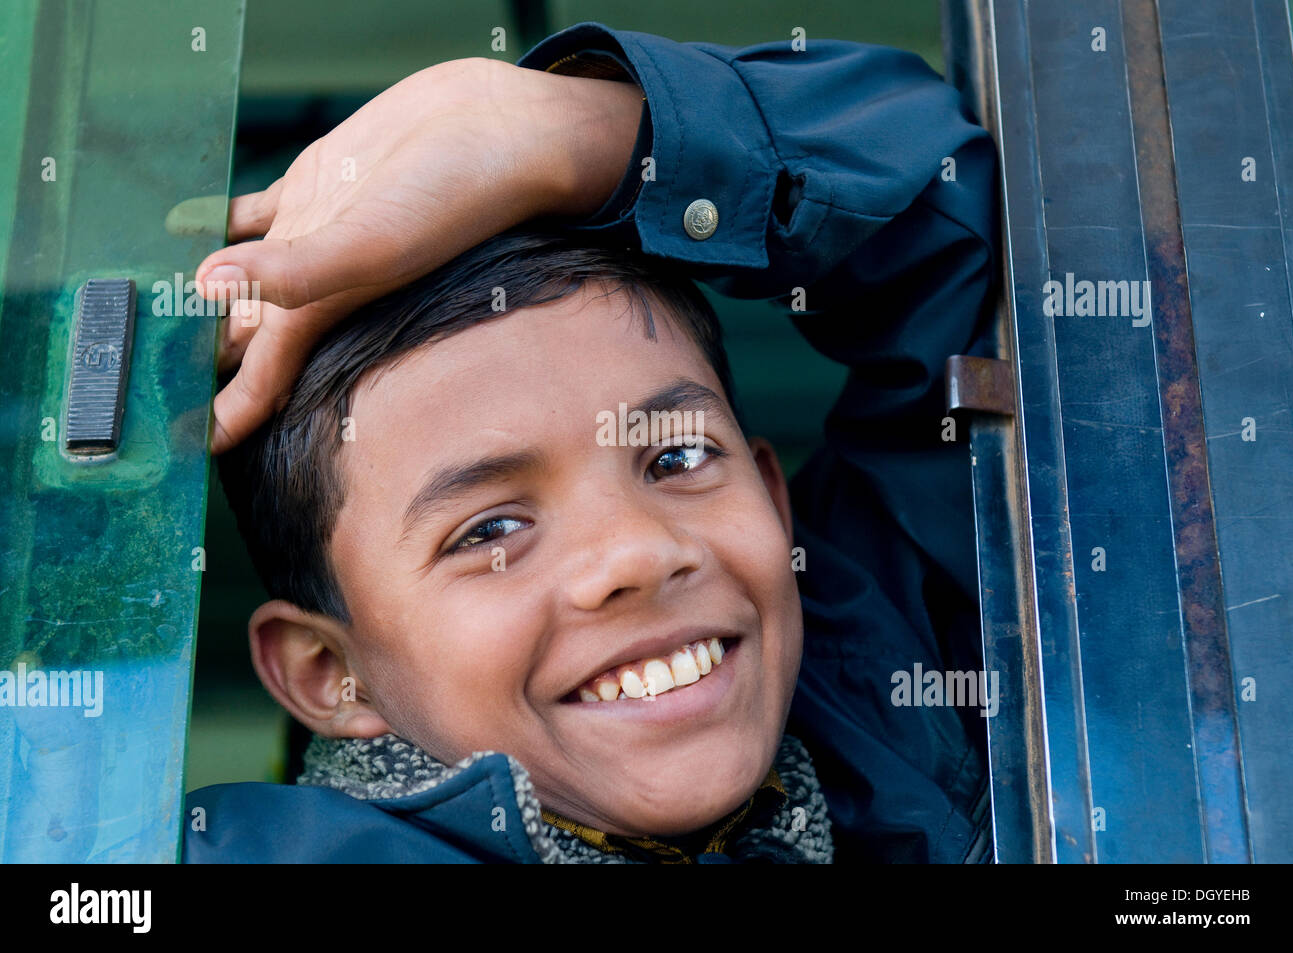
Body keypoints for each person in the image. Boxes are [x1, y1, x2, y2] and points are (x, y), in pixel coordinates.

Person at [184, 21, 998, 863]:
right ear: (328, 669)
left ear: (770, 494)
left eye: (676, 459)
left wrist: (568, 134)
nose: (637, 553)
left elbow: (1008, 262)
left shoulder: (894, 689)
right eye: (491, 530)